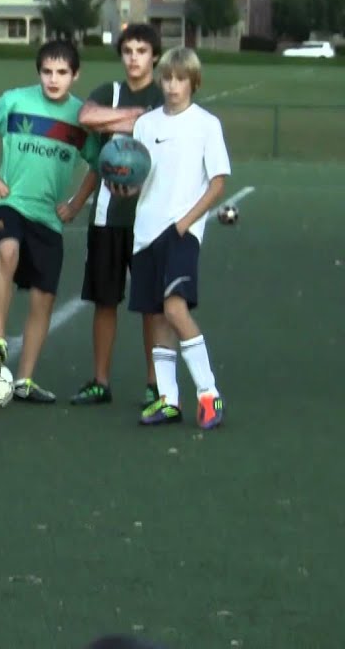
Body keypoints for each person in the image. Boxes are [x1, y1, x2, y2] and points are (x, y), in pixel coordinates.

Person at [0, 39, 101, 402]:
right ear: (38, 72)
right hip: (9, 203)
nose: (53, 79)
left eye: (61, 72)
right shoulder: (14, 101)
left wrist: (75, 204)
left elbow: (100, 164)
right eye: (47, 72)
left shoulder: (81, 118)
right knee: (7, 253)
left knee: (43, 299)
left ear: (75, 75)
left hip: (49, 218)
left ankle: (24, 381)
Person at [59, 23, 164, 409]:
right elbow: (87, 116)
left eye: (141, 50)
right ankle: (100, 381)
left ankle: (156, 384)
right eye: (128, 50)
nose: (134, 57)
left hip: (151, 218)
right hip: (107, 216)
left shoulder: (163, 92)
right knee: (105, 301)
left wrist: (119, 120)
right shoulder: (110, 91)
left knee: (151, 306)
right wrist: (138, 117)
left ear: (154, 55)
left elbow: (161, 127)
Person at [125, 46, 228, 429]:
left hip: (181, 232)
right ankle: (169, 401)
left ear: (193, 83)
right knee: (156, 318)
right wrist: (124, 187)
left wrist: (185, 223)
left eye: (181, 79)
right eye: (167, 78)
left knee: (174, 308)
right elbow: (138, 178)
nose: (172, 86)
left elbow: (218, 182)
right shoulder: (145, 125)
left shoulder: (206, 124)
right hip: (145, 233)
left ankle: (209, 394)